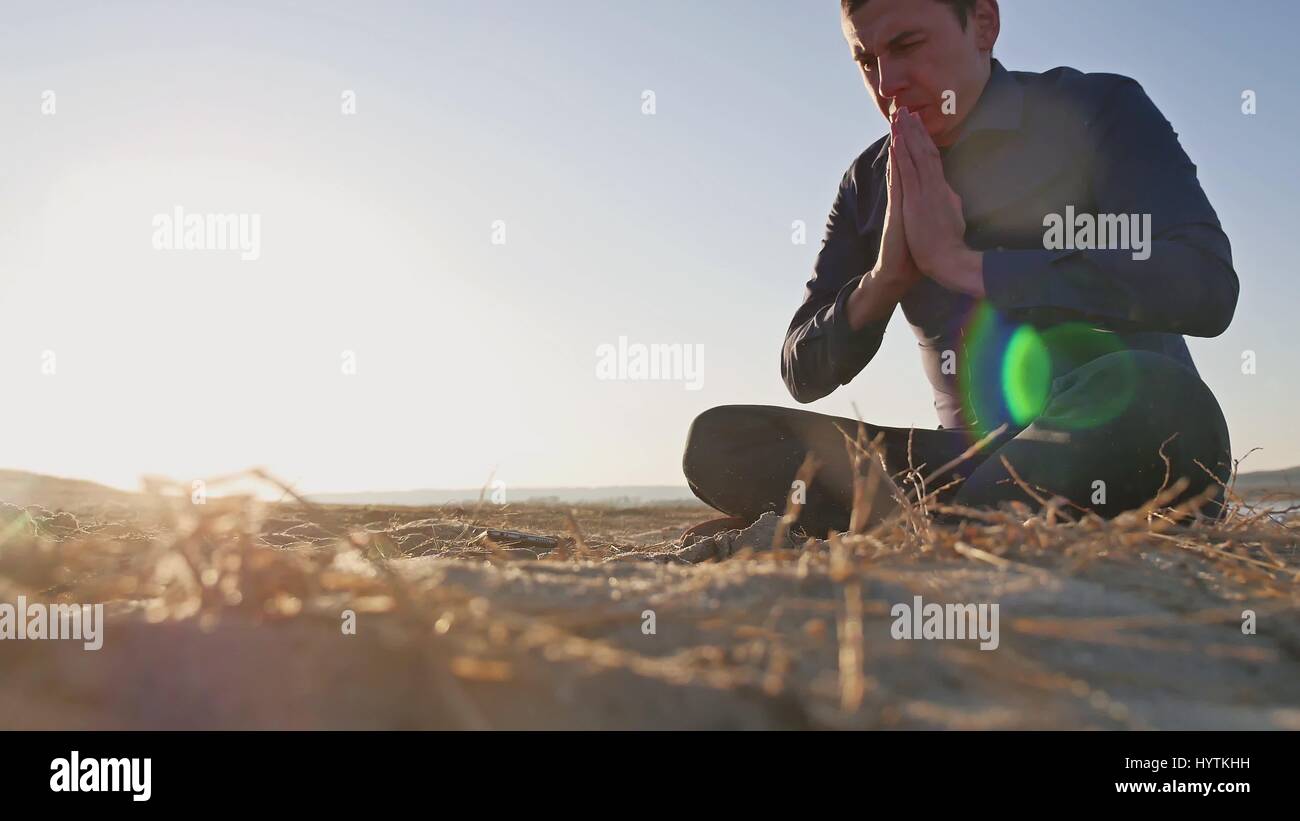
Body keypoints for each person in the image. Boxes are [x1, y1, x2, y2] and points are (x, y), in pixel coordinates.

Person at [680, 0, 1237, 541]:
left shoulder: (1097, 109)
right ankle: (957, 525)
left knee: (1160, 394)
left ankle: (900, 532)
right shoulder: (869, 183)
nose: (888, 82)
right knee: (719, 441)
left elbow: (1205, 284)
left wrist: (971, 267)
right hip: (963, 469)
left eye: (906, 45)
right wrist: (884, 281)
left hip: (1120, 433)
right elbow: (801, 371)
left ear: (983, 23)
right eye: (866, 60)